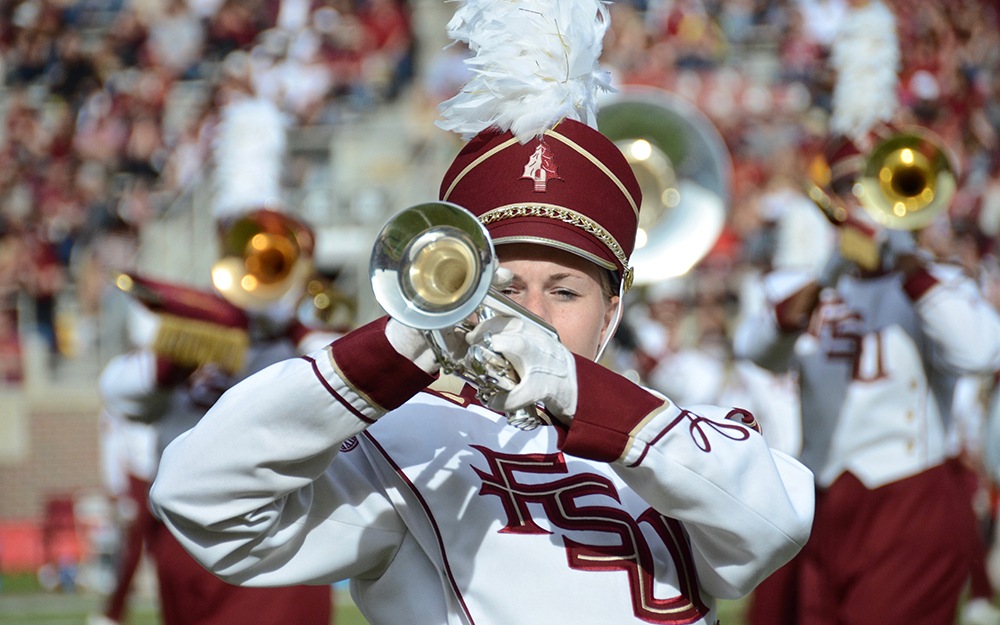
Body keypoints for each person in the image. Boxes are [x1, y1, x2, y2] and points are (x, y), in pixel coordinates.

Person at [146, 1, 814, 623]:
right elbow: (200, 497)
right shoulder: (405, 443)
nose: (533, 315)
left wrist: (585, 398)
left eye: (565, 291)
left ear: (611, 312)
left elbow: (774, 525)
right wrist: (399, 346)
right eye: (507, 287)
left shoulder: (663, 431)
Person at [91, 97, 337, 625]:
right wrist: (176, 356)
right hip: (190, 537)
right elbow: (120, 394)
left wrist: (292, 321)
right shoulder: (191, 318)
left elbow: (340, 379)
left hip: (278, 538)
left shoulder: (303, 332)